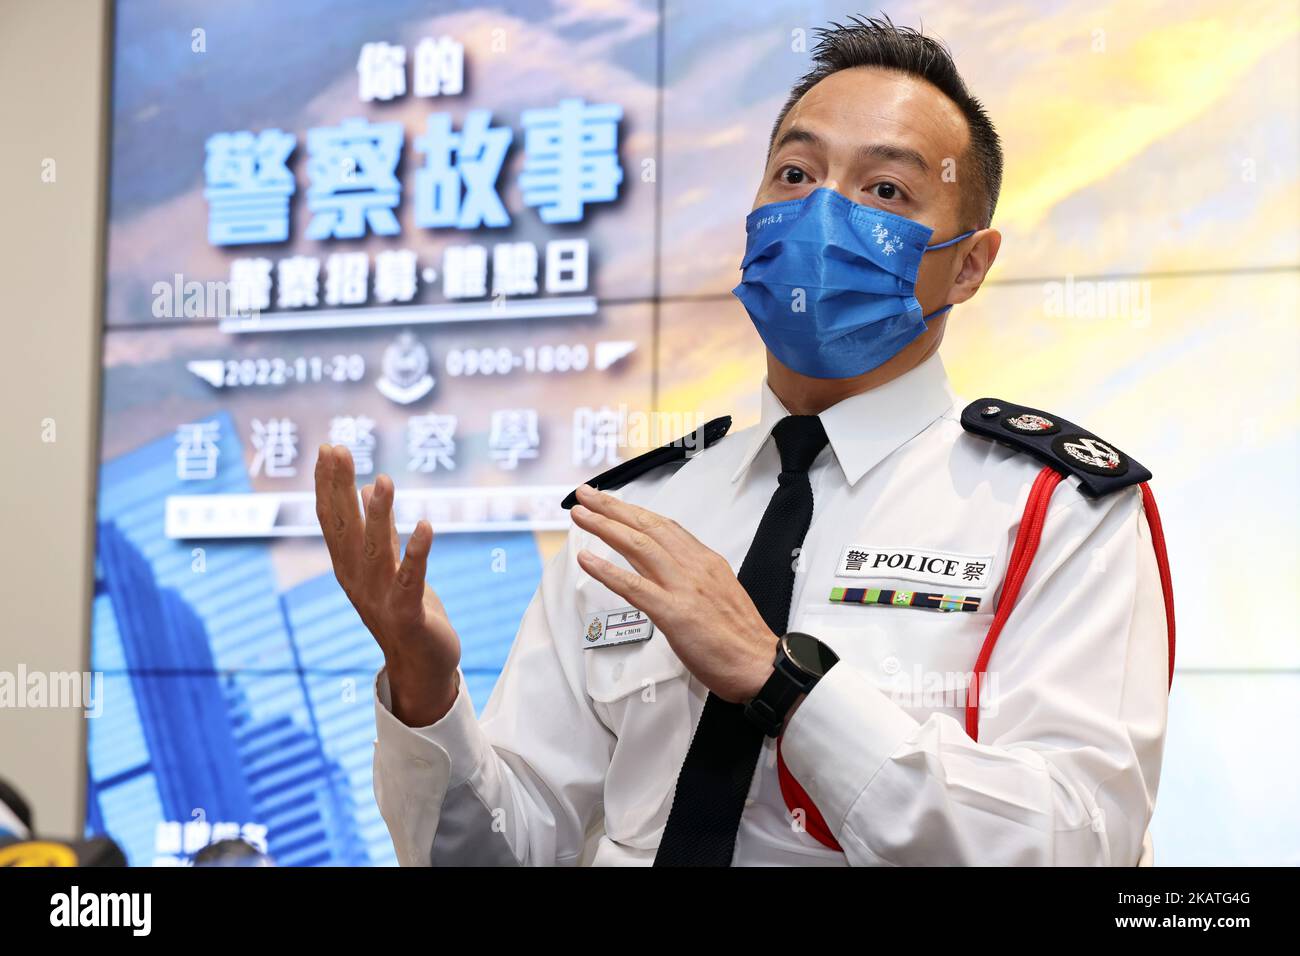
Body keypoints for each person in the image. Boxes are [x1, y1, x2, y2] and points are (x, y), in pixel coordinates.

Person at [314, 15, 1173, 866]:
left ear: (970, 264)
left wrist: (785, 683)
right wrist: (424, 690)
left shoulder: (1053, 513)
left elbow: (1079, 840)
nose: (822, 215)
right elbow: (509, 850)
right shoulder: (634, 517)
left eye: (885, 191)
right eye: (795, 174)